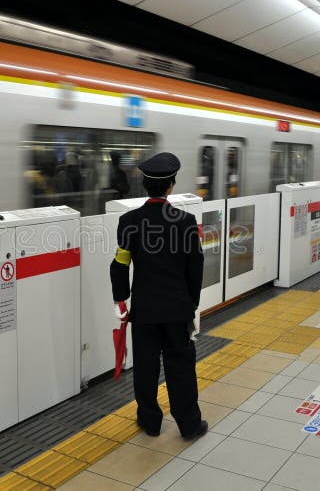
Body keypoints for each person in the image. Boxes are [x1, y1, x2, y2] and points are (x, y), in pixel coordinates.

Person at [109, 152, 207, 440]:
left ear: (144, 185)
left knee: (145, 367)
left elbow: (120, 263)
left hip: (144, 310)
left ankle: (150, 422)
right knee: (181, 366)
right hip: (177, 309)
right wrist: (192, 303)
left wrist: (120, 299)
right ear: (171, 186)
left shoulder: (129, 221)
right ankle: (189, 424)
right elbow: (195, 266)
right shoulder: (186, 221)